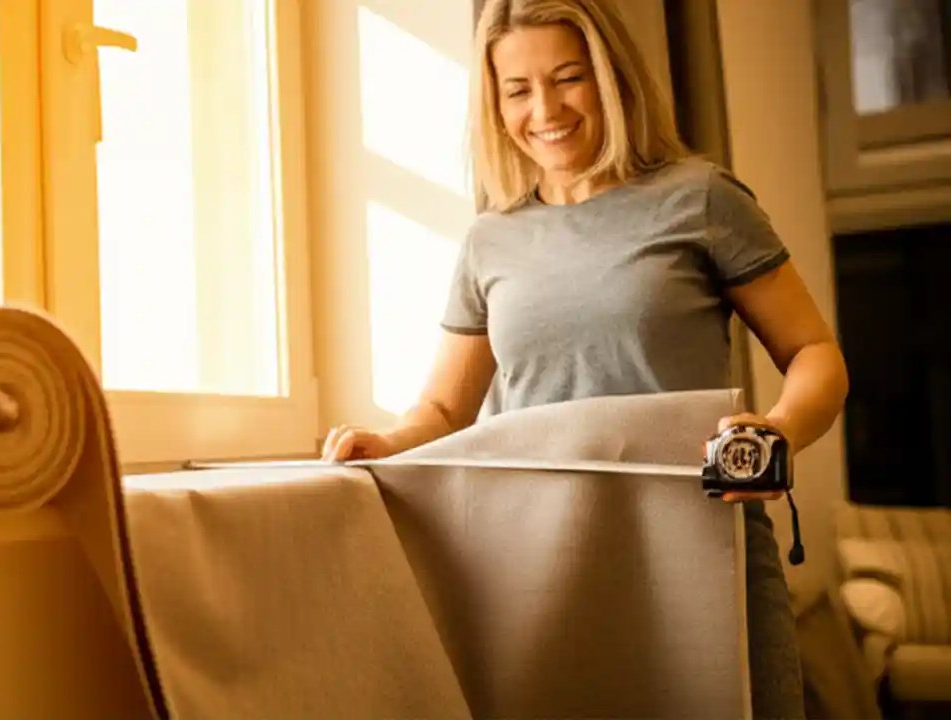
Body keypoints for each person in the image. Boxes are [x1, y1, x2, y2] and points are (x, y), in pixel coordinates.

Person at [319, 1, 850, 718]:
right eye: (518, 89)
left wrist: (778, 434)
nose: (544, 109)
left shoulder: (701, 199)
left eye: (568, 78)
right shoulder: (489, 242)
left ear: (611, 79)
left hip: (701, 547)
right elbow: (447, 409)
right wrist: (381, 443)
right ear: (494, 101)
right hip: (544, 561)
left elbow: (814, 352)